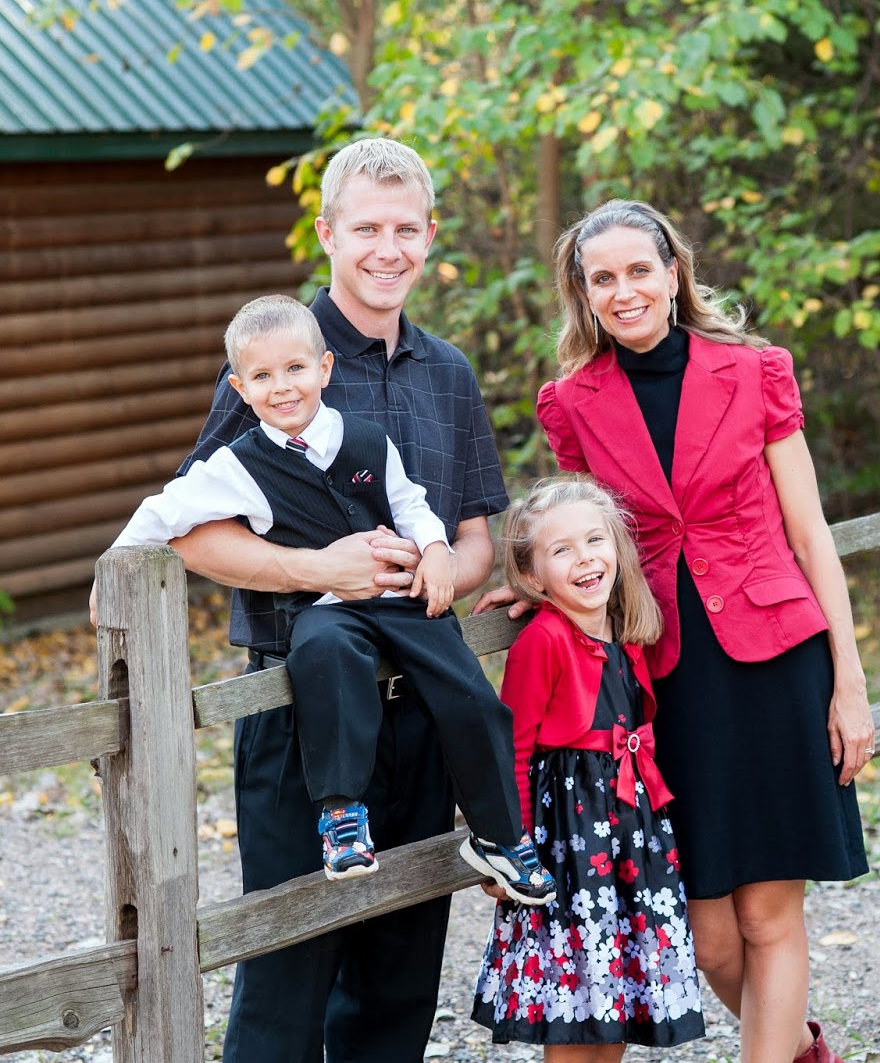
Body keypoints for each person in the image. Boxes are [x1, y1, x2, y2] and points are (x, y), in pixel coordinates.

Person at [114, 137, 510, 1063]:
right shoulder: (275, 356)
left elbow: (476, 523)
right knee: (290, 969)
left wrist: (452, 570)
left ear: (428, 238)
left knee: (396, 970)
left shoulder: (442, 373)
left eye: (406, 228)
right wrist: (325, 569)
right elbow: (199, 533)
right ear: (328, 234)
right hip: (299, 704)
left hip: (419, 710)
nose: (385, 248)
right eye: (364, 228)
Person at [476, 200, 872, 1063]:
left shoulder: (754, 371)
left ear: (671, 269)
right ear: (584, 296)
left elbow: (809, 530)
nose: (622, 292)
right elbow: (572, 519)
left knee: (770, 916)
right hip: (663, 679)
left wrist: (849, 676)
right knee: (707, 934)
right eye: (599, 279)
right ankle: (809, 1059)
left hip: (775, 657)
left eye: (636, 270)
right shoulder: (570, 400)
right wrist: (530, 578)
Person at [107, 293, 553, 901]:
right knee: (323, 657)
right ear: (239, 387)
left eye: (294, 369)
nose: (282, 387)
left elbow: (413, 506)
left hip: (398, 599)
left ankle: (500, 836)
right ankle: (342, 815)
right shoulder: (235, 467)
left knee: (468, 689)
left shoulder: (368, 441)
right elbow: (160, 513)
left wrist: (435, 550)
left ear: (324, 369)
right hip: (322, 610)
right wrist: (109, 585)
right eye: (262, 376)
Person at [472, 478, 707, 1063]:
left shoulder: (625, 635)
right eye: (561, 551)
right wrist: (514, 852)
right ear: (533, 576)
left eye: (594, 542)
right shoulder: (543, 641)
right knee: (572, 1042)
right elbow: (514, 752)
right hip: (569, 857)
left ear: (618, 549)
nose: (584, 560)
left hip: (625, 849)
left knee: (607, 1039)